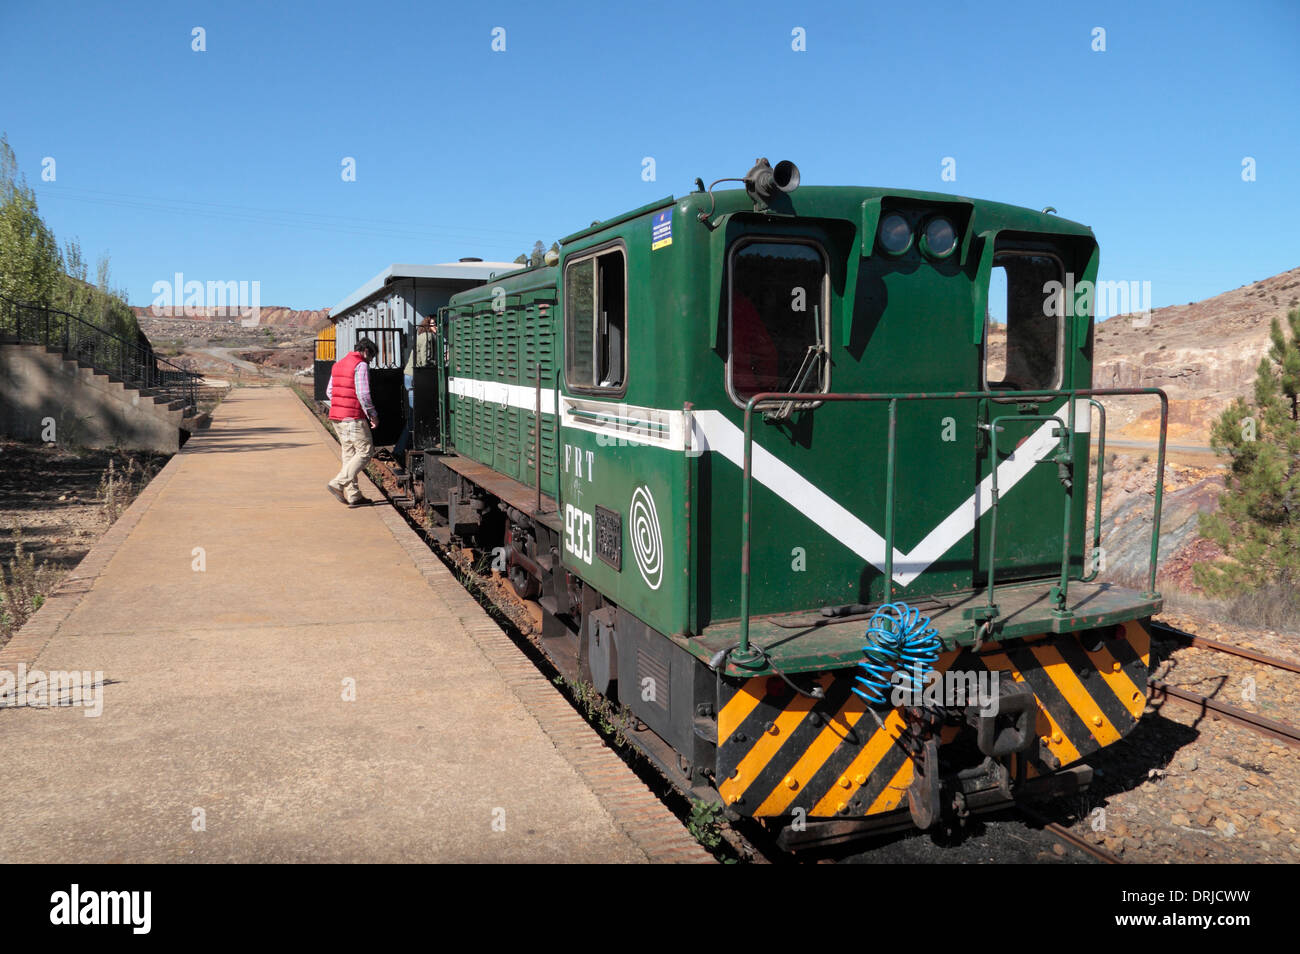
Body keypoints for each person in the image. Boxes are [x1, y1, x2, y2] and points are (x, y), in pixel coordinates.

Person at [325, 337, 379, 507]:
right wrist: (372, 414)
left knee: (349, 455)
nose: (370, 362)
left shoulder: (338, 364)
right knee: (366, 451)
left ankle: (354, 495)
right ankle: (338, 483)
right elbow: (363, 394)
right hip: (353, 417)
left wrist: (341, 404)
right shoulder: (360, 364)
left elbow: (329, 392)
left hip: (337, 416)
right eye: (371, 358)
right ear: (366, 352)